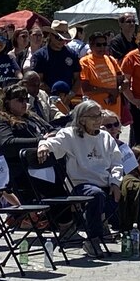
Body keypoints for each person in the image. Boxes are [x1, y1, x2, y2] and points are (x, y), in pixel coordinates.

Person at [37, 101, 125, 259]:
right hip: (81, 184)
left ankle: (138, 234)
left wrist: (115, 182)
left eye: (100, 115)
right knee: (96, 195)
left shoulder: (105, 136)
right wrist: (43, 146)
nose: (99, 120)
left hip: (106, 182)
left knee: (138, 191)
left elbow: (117, 163)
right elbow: (52, 143)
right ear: (82, 119)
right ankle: (93, 240)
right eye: (94, 116)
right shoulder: (69, 134)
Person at [0, 84, 55, 195]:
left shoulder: (31, 116)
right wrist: (40, 141)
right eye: (20, 100)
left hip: (44, 167)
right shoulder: (0, 121)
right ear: (7, 102)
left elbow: (51, 130)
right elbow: (6, 145)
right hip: (20, 173)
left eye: (26, 99)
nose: (24, 103)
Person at [79, 32, 124, 118]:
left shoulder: (111, 59)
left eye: (104, 44)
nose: (102, 47)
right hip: (96, 113)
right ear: (91, 46)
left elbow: (123, 80)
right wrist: (109, 91)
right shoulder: (85, 62)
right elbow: (86, 89)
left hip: (114, 112)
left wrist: (117, 92)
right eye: (98, 45)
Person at [31, 22, 82, 94]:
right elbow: (38, 80)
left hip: (68, 98)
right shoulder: (39, 55)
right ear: (51, 35)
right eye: (58, 38)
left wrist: (70, 95)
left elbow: (77, 79)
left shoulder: (72, 54)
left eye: (64, 38)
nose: (61, 41)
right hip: (47, 98)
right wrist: (54, 95)